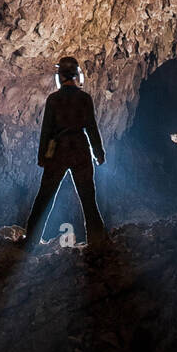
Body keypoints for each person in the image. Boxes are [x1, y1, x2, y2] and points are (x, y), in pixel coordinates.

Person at [22, 55, 107, 249]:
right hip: (79, 148)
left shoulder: (54, 99)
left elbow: (46, 130)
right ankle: (97, 240)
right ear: (76, 75)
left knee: (45, 196)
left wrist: (42, 156)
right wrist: (98, 152)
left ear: (60, 76)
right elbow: (92, 127)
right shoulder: (84, 98)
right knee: (87, 197)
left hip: (58, 149)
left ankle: (31, 240)